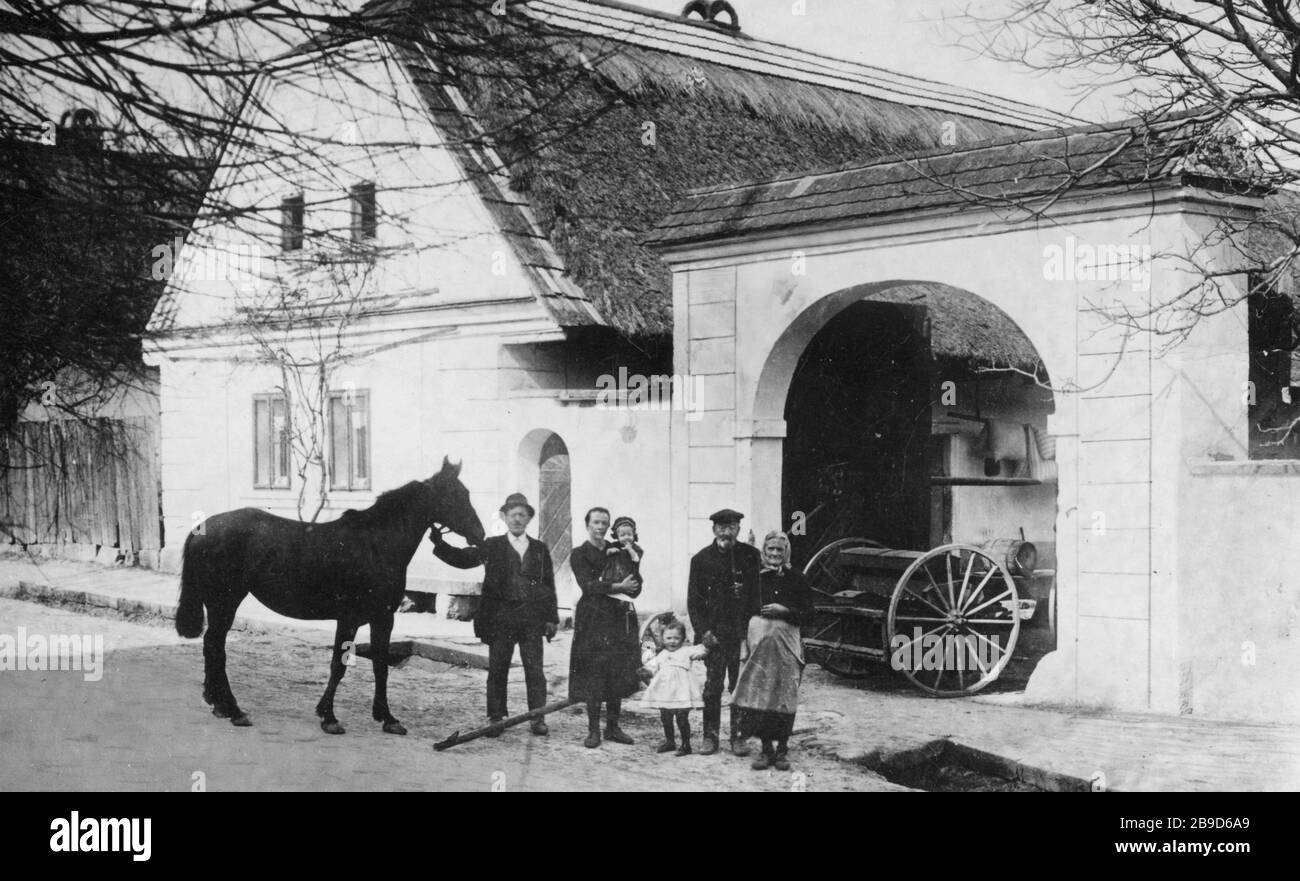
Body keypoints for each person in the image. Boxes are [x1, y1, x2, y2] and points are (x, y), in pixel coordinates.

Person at [431, 492, 557, 736]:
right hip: (501, 618)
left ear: (529, 518)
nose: (517, 519)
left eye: (522, 515)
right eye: (513, 515)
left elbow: (548, 585)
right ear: (504, 517)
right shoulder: (493, 545)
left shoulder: (540, 549)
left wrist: (551, 618)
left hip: (531, 619)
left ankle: (537, 717)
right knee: (498, 668)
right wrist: (440, 544)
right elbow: (465, 559)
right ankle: (496, 717)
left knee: (535, 669)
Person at [732, 530, 813, 771]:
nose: (775, 554)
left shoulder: (797, 578)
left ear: (786, 552)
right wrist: (743, 643)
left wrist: (785, 611)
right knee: (762, 695)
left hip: (786, 645)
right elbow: (742, 612)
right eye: (771, 549)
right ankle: (766, 750)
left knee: (784, 696)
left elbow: (810, 613)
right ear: (764, 552)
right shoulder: (753, 578)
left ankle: (782, 750)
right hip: (759, 645)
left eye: (780, 549)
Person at [687, 508, 762, 756]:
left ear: (738, 529)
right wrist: (703, 631)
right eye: (721, 527)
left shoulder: (751, 556)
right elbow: (693, 602)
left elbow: (757, 598)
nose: (725, 532)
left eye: (731, 527)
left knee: (740, 687)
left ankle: (738, 737)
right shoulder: (700, 560)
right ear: (713, 530)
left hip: (741, 635)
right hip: (714, 636)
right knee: (713, 686)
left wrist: (750, 633)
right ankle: (710, 736)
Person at [568, 507, 642, 748]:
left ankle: (613, 727)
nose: (600, 527)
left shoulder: (620, 550)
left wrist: (631, 586)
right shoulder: (579, 553)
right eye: (595, 522)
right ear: (587, 524)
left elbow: (635, 584)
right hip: (593, 618)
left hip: (618, 617)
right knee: (593, 672)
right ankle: (593, 730)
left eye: (604, 523)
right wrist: (618, 587)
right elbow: (587, 585)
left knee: (617, 670)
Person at [639, 619, 708, 756]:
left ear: (683, 638)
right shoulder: (662, 655)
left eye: (676, 638)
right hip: (665, 693)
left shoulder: (687, 650)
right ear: (663, 639)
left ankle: (686, 744)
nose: (672, 641)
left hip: (682, 692)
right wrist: (645, 671)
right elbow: (652, 666)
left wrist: (705, 648)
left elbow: (701, 650)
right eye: (668, 638)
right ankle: (670, 741)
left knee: (682, 718)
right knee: (665, 717)